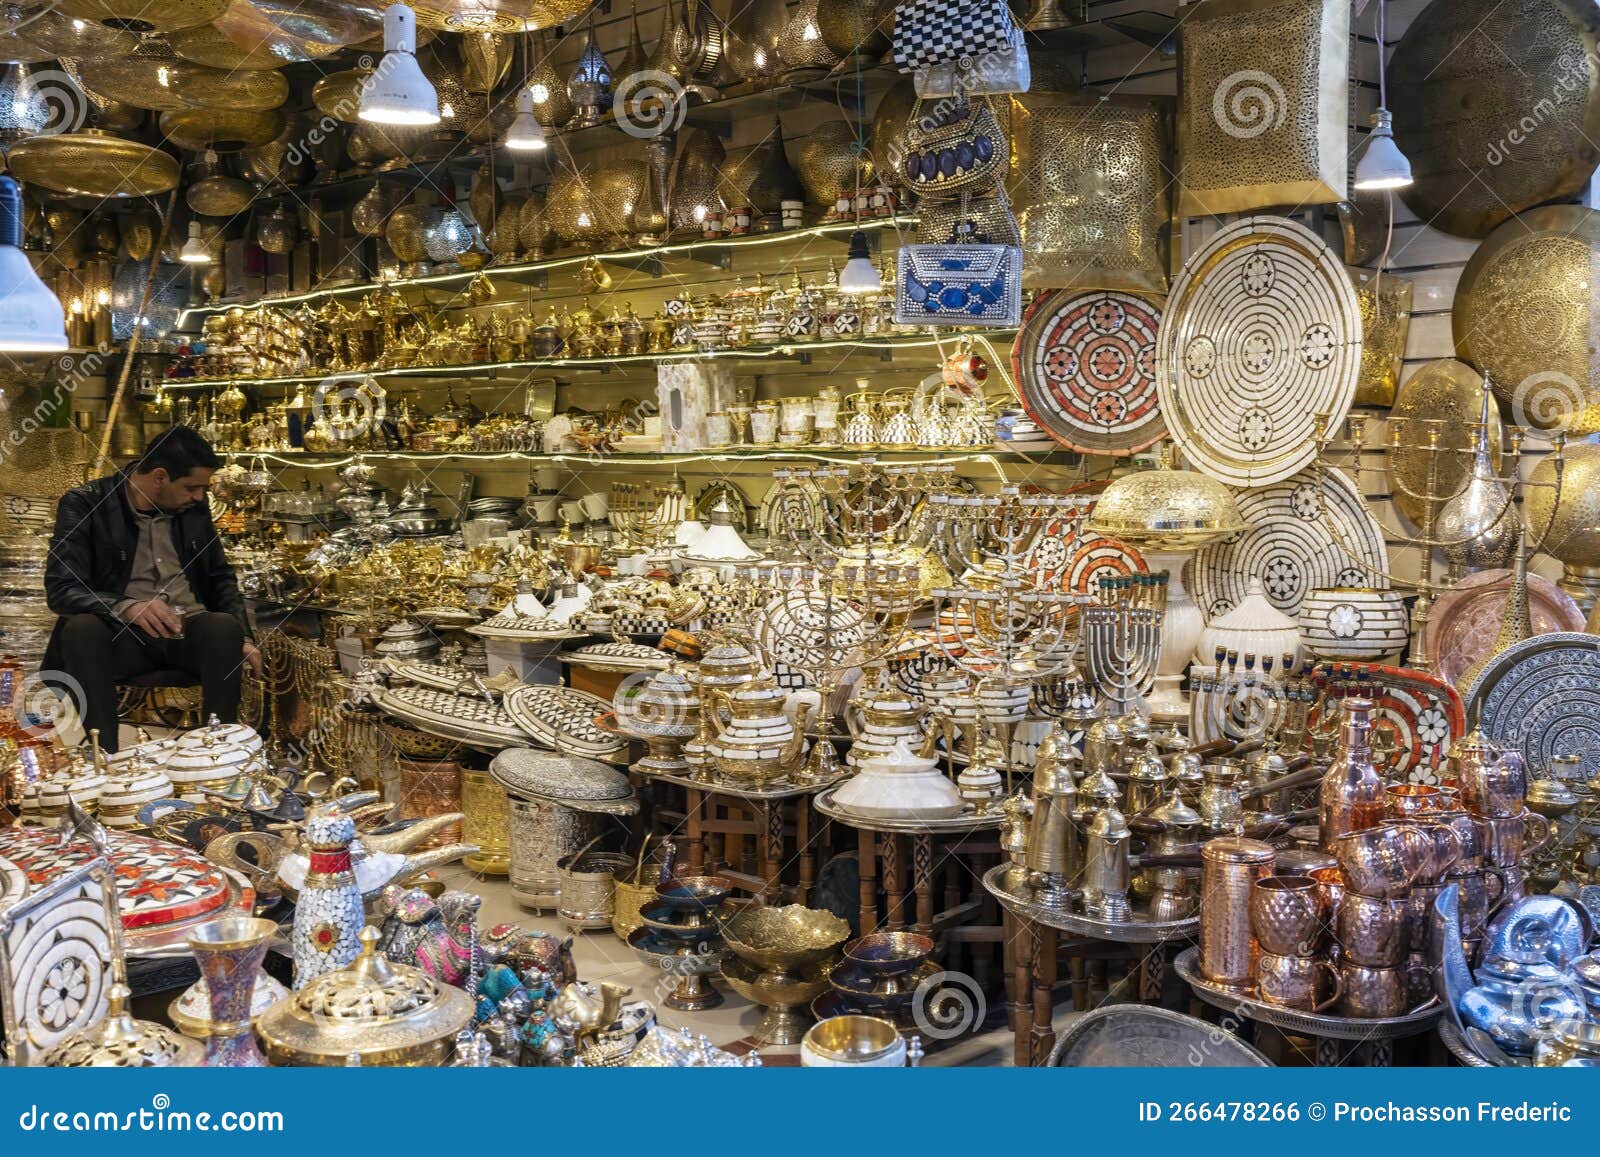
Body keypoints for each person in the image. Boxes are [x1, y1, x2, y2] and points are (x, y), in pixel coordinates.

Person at [44, 425, 262, 752]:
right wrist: (127, 606)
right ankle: (103, 755)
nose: (200, 497)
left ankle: (218, 751)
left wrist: (245, 637)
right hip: (121, 637)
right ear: (159, 477)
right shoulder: (86, 503)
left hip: (185, 632)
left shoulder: (192, 507)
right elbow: (60, 588)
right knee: (81, 628)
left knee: (224, 628)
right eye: (192, 487)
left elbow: (219, 576)